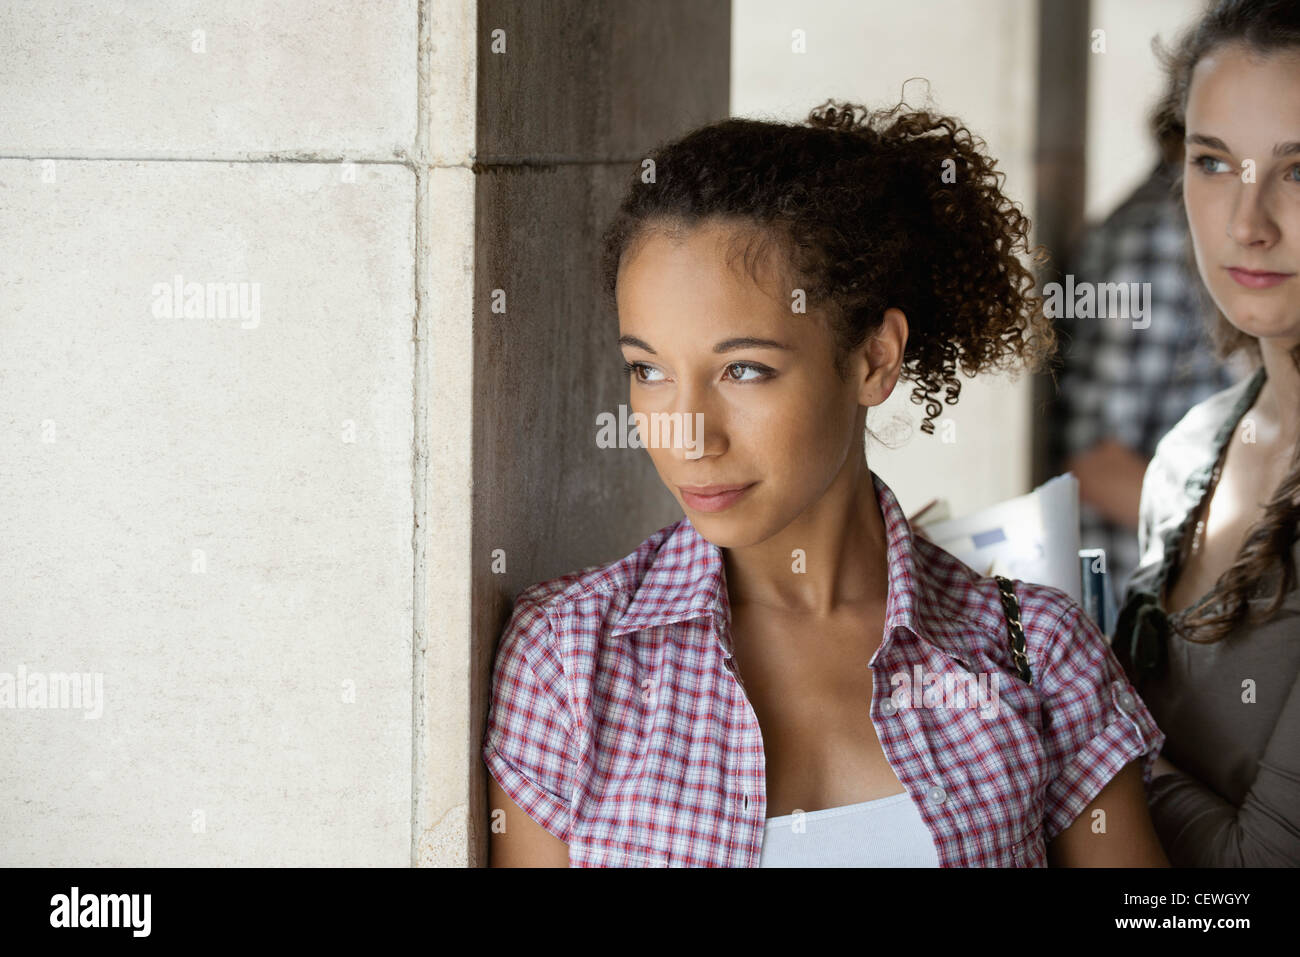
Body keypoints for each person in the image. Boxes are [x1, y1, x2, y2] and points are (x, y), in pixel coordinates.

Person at [483, 98, 1169, 867]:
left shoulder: (1035, 653)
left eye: (744, 370)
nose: (688, 434)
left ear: (874, 358)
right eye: (648, 371)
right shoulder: (570, 661)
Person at [1114, 0, 1300, 867]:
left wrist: (1072, 719)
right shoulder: (1194, 445)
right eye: (1214, 162)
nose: (1247, 221)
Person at [1052, 106, 1242, 606]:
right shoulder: (1159, 237)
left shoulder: (1190, 228)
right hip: (1151, 608)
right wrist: (1255, 538)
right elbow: (1095, 463)